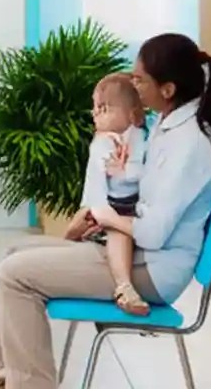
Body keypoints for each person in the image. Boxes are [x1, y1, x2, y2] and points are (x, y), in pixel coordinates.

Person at [0, 33, 211, 389]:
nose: (134, 86)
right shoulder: (168, 124)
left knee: (16, 275)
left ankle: (22, 383)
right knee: (14, 254)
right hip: (140, 256)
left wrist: (105, 217)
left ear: (167, 89)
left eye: (140, 80)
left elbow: (154, 231)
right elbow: (144, 200)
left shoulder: (189, 144)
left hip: (152, 271)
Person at [81, 73, 151, 316]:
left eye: (104, 108)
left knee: (118, 233)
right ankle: (124, 285)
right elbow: (95, 187)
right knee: (113, 230)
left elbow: (141, 172)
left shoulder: (139, 137)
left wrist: (123, 173)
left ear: (132, 115)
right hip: (109, 209)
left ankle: (124, 286)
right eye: (95, 108)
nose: (96, 114)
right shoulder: (102, 141)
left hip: (127, 210)